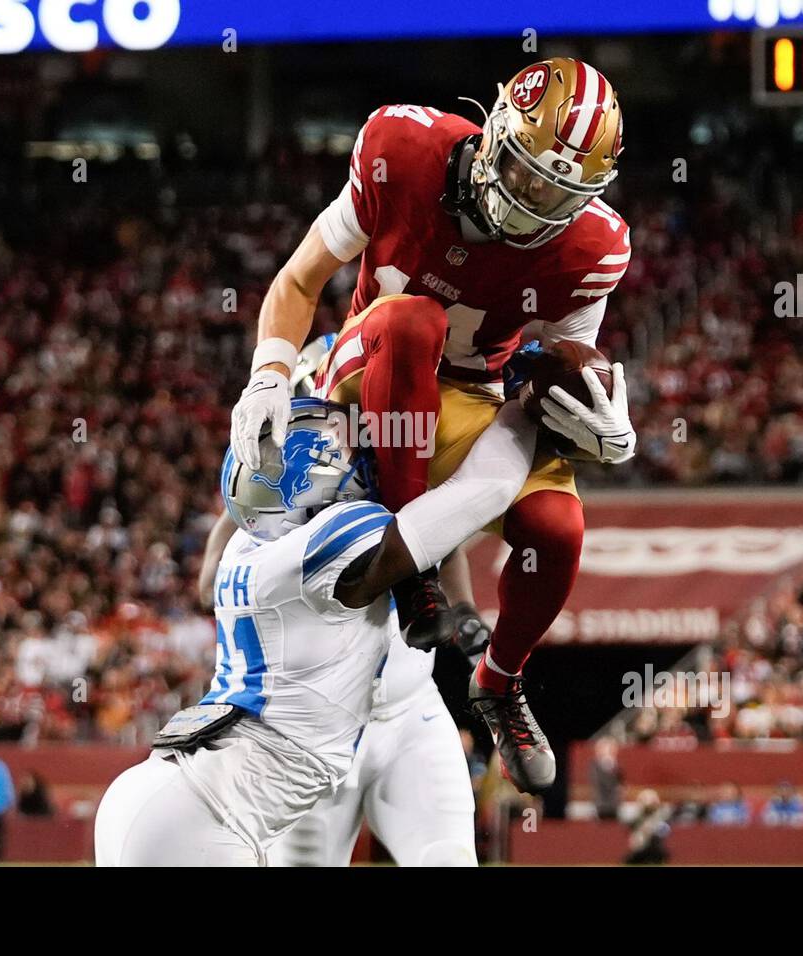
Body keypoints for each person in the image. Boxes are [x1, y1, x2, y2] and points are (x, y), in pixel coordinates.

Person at [229, 58, 637, 794]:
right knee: (415, 320)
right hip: (367, 362)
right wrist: (267, 371)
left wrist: (603, 421)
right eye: (529, 171)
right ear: (496, 133)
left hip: (474, 392)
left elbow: (562, 370)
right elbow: (298, 278)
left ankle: (500, 681)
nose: (537, 198)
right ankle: (410, 560)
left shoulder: (594, 246)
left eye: (561, 191)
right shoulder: (401, 148)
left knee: (559, 531)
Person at [95, 397, 536, 865]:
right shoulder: (323, 548)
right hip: (204, 819)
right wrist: (524, 412)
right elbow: (485, 487)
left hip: (176, 803)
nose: (362, 460)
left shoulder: (250, 545)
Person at [197, 338, 489, 867]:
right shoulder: (260, 520)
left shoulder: (392, 476)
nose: (344, 429)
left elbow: (440, 543)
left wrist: (464, 610)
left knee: (447, 859)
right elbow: (213, 579)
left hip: (408, 714)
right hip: (310, 733)